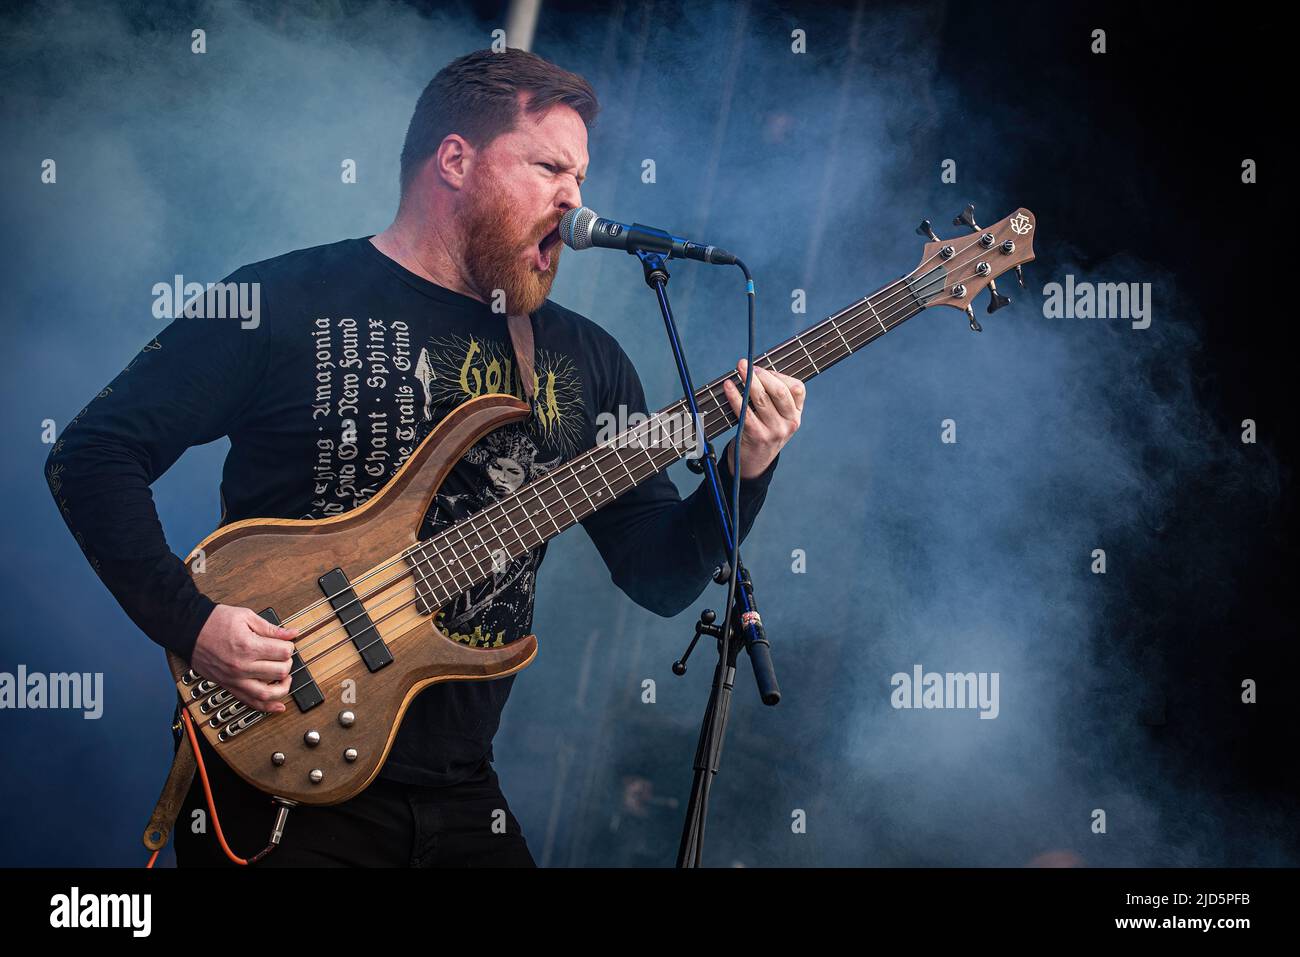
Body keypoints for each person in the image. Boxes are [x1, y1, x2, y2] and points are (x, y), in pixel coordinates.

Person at [44, 47, 806, 867]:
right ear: (454, 160)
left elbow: (659, 578)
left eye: (582, 177)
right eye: (550, 166)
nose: (576, 201)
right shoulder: (280, 300)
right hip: (284, 780)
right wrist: (191, 623)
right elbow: (92, 453)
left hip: (460, 795)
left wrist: (746, 467)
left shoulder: (585, 358)